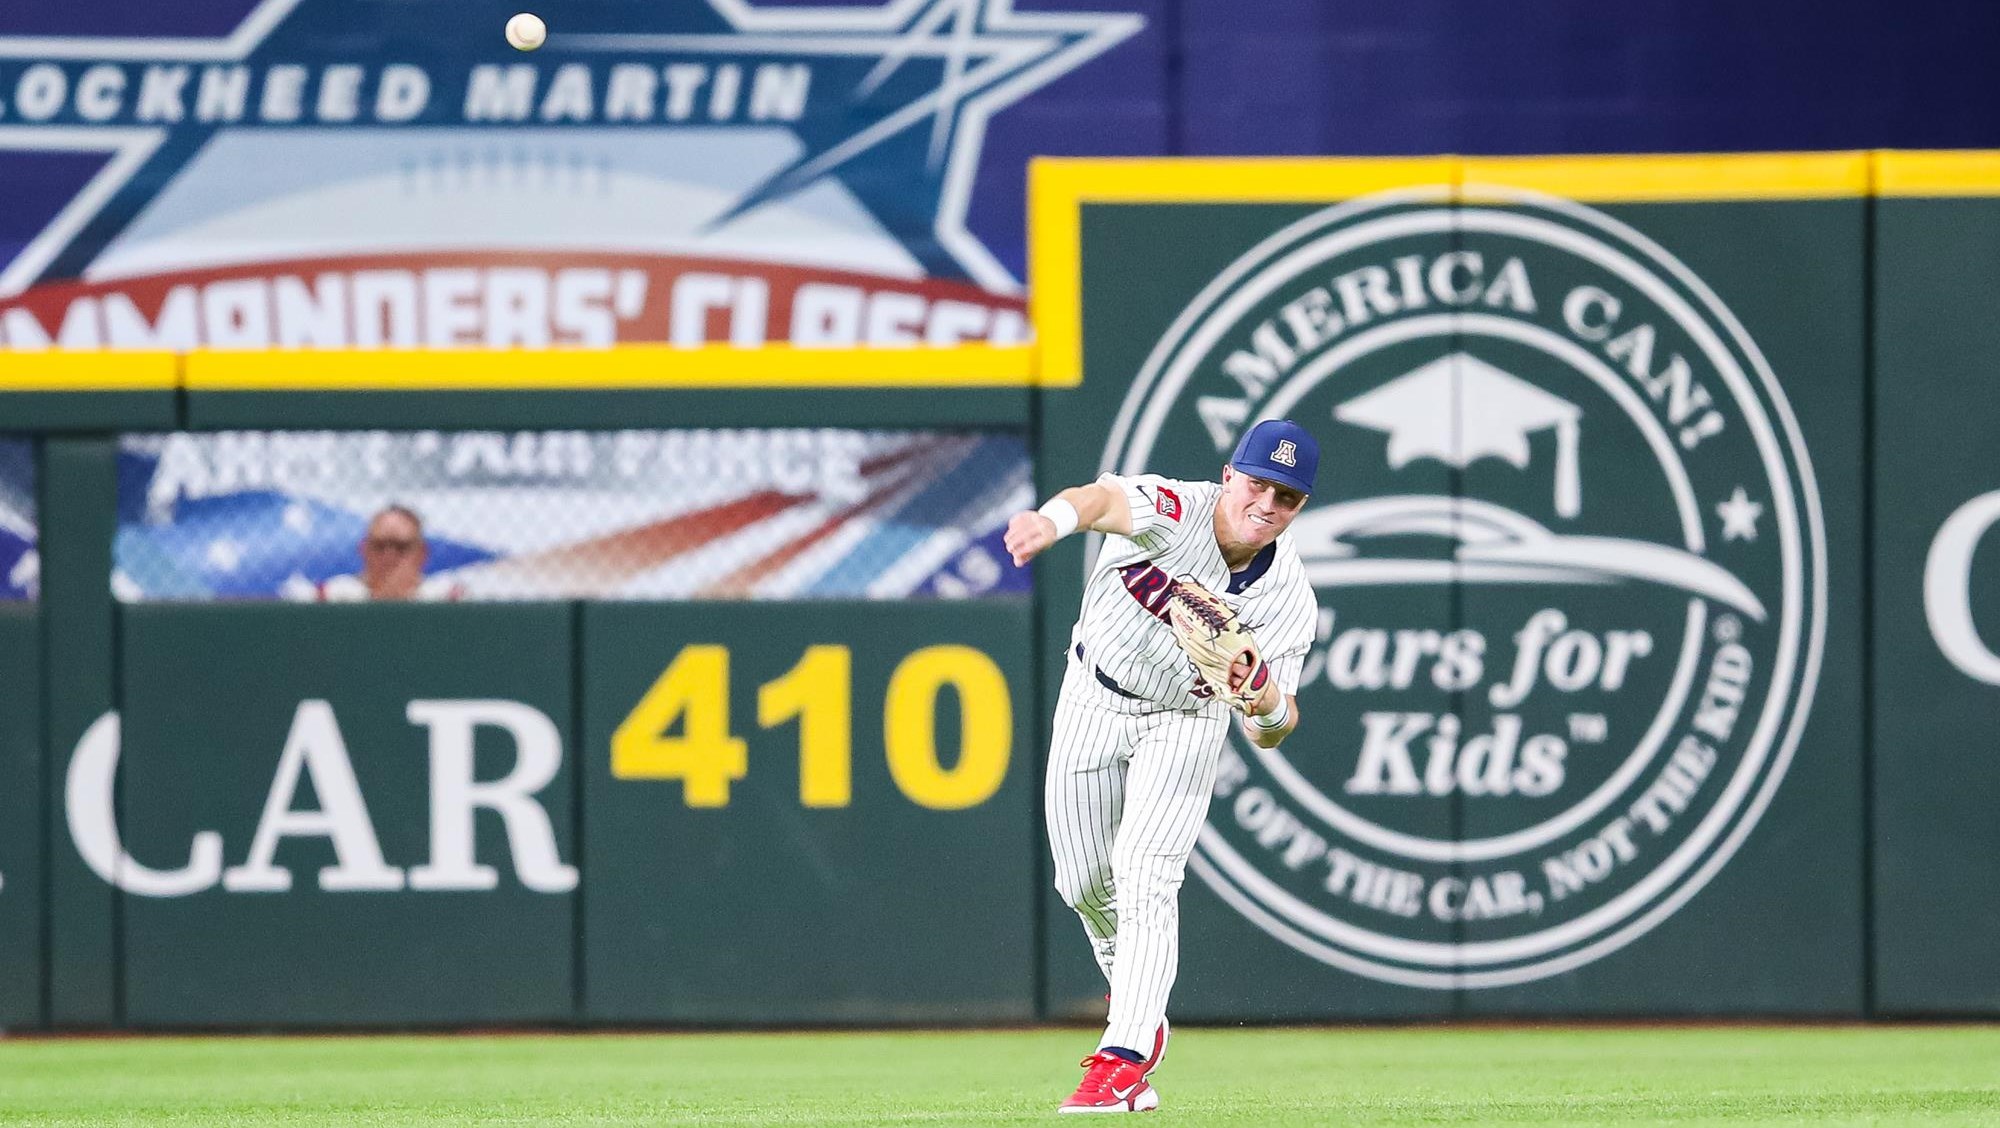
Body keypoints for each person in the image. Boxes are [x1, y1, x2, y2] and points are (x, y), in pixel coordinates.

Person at [1004, 418, 1321, 1115]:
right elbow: (1096, 501)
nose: (1267, 506)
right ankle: (1137, 1001)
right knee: (1082, 881)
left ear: (1300, 508)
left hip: (1185, 720)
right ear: (1231, 475)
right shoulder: (1176, 509)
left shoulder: (1289, 598)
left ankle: (1124, 1056)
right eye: (1259, 485)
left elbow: (1276, 725)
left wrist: (1263, 698)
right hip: (1094, 692)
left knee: (1147, 872)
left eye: (1288, 498)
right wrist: (1051, 523)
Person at [317, 504, 464, 602]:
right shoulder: (334, 597)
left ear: (422, 553)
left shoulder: (445, 598)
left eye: (401, 547)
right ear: (363, 549)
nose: (389, 556)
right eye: (379, 546)